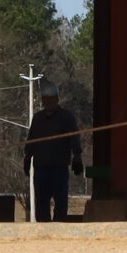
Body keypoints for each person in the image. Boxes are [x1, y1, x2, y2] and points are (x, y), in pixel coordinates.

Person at [25, 89, 83, 222]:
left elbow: (74, 138)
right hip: (41, 167)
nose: (48, 102)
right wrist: (27, 157)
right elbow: (31, 139)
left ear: (57, 99)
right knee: (41, 201)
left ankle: (59, 227)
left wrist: (77, 156)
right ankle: (43, 228)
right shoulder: (38, 118)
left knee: (61, 200)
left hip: (59, 166)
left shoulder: (66, 117)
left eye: (51, 99)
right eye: (45, 99)